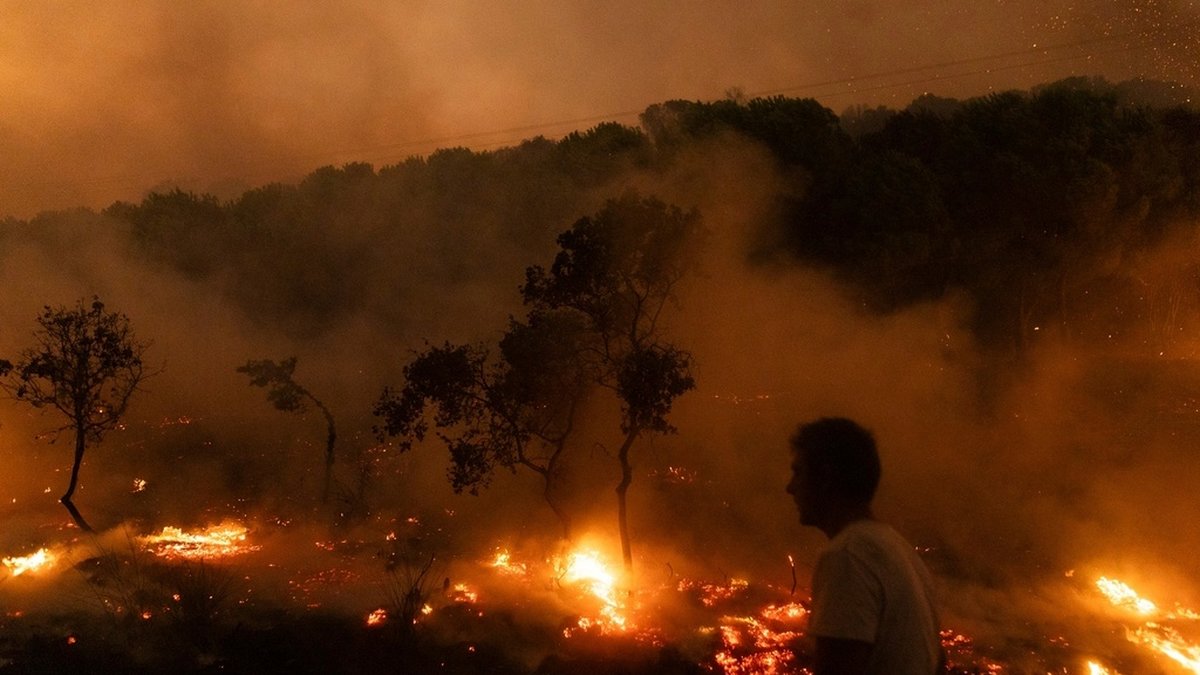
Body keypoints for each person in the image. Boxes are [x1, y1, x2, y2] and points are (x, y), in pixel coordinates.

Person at [786, 417, 944, 674]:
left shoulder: (847, 555)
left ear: (826, 477)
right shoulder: (899, 550)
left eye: (798, 472)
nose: (790, 488)